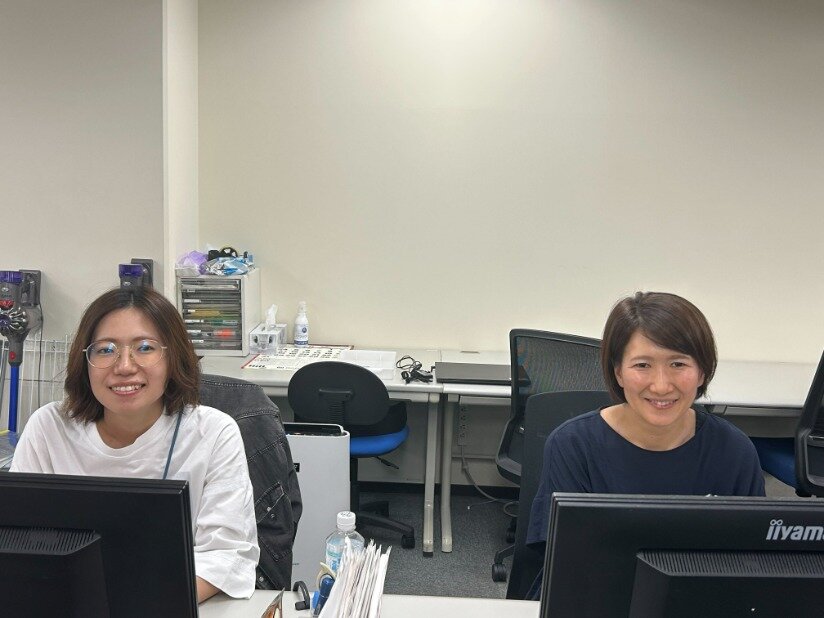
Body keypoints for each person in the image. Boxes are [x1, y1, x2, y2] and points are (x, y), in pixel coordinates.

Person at [10, 287, 259, 603]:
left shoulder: (213, 433)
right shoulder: (49, 428)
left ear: (172, 357)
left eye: (145, 347)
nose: (124, 366)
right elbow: (18, 543)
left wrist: (135, 603)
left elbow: (225, 555)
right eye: (105, 350)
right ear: (85, 362)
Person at [526, 291, 765, 598]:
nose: (661, 385)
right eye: (642, 365)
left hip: (697, 600)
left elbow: (751, 561)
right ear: (618, 372)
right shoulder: (573, 446)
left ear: (702, 372)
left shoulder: (733, 451)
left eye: (678, 363)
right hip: (593, 599)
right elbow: (566, 565)